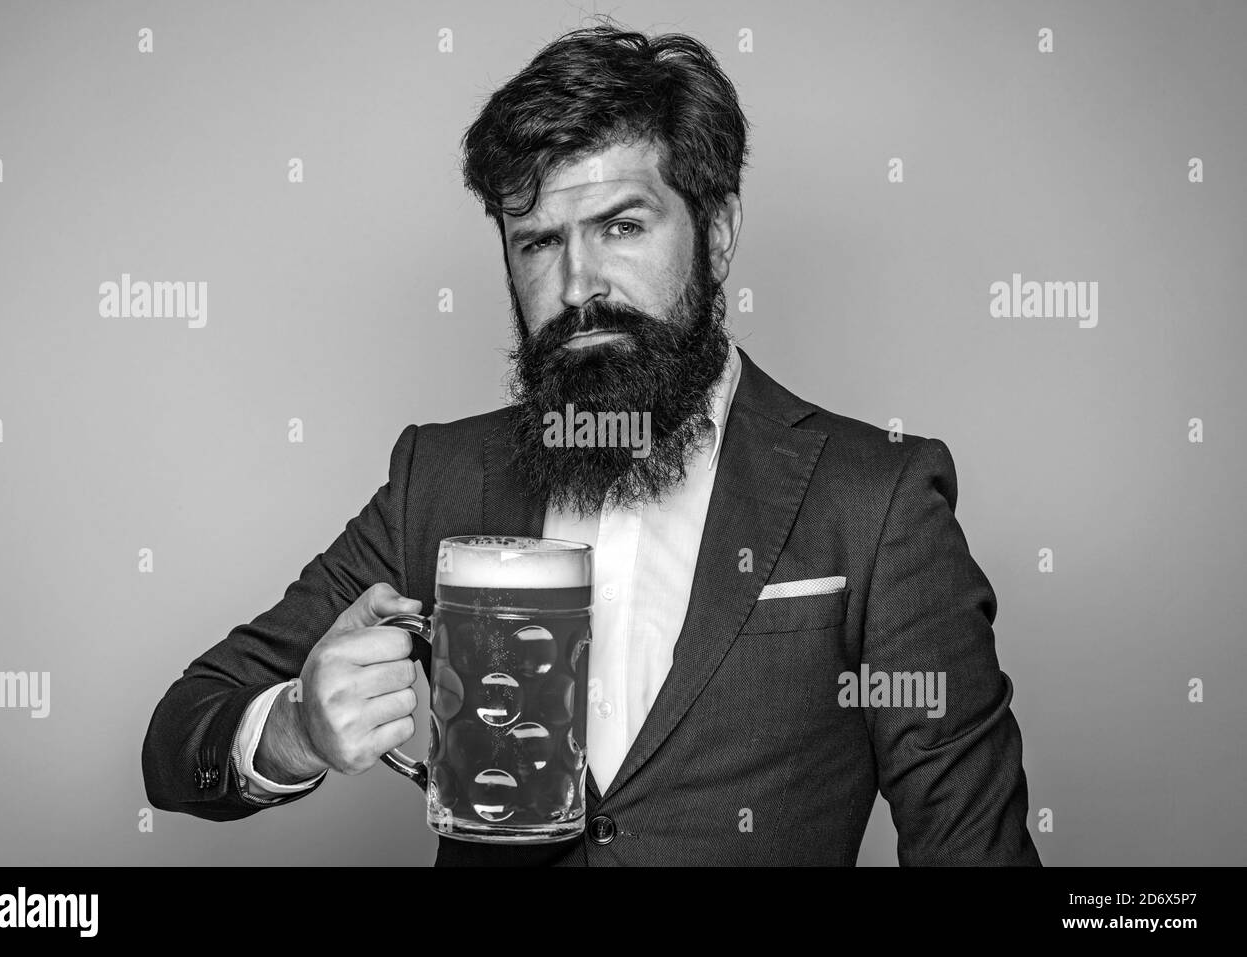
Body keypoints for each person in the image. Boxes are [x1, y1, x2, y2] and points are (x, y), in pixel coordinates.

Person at [142, 23, 1041, 866]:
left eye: (621, 226)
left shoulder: (873, 499)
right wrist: (296, 724)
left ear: (717, 232)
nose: (580, 286)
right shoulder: (440, 478)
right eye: (538, 241)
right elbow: (178, 739)